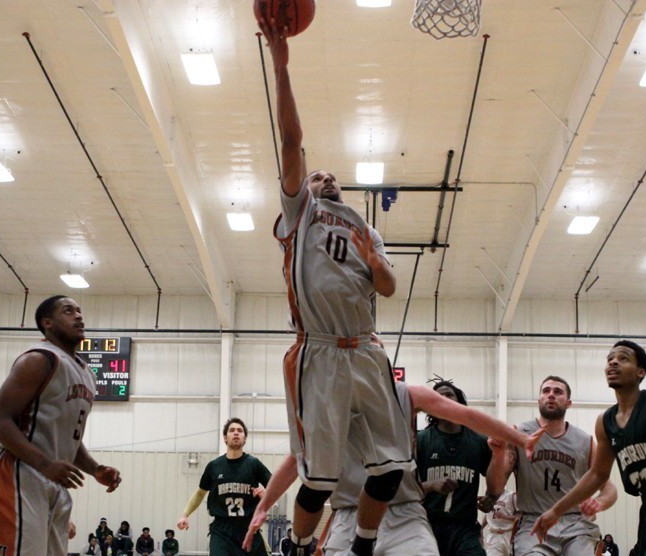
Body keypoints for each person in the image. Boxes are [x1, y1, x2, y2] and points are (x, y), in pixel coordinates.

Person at [259, 16, 414, 556]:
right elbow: (292, 138)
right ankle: (300, 544)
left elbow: (389, 289)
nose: (323, 178)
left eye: (332, 177)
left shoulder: (364, 227)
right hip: (320, 351)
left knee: (392, 466)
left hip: (366, 350)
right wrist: (281, 65)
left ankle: (365, 544)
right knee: (321, 481)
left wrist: (377, 261)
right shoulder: (302, 212)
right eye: (315, 173)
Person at [244, 375, 544, 555]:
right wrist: (263, 506)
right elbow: (296, 457)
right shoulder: (327, 404)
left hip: (405, 513)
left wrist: (517, 437)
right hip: (349, 513)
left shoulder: (406, 394)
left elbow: (467, 416)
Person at [0, 295, 122, 556]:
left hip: (53, 476)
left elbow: (68, 437)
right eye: (68, 311)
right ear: (47, 323)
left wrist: (95, 469)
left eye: (79, 311)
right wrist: (46, 464)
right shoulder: (38, 360)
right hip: (18, 471)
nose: (78, 316)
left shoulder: (86, 373)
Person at [533, 340, 646, 556]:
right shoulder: (605, 422)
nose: (613, 362)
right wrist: (555, 511)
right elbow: (597, 474)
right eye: (610, 359)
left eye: (623, 358)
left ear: (640, 372)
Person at [496, 376, 617, 556]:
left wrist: (598, 502)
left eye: (558, 392)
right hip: (534, 520)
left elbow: (610, 490)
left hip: (575, 524)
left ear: (568, 403)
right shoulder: (518, 434)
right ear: (539, 400)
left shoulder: (586, 441)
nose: (551, 395)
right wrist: (498, 454)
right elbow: (497, 484)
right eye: (546, 391)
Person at [417, 379, 525, 556]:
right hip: (427, 524)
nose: (444, 398)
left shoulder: (478, 441)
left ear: (459, 402)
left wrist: (492, 497)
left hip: (464, 527)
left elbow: (497, 481)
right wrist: (430, 485)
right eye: (438, 396)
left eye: (449, 394)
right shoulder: (421, 441)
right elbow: (403, 489)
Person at [176, 418, 271, 555]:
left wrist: (266, 493)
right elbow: (200, 493)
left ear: (245, 439)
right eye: (232, 430)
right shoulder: (214, 466)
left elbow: (275, 486)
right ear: (225, 438)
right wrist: (185, 515)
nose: (236, 433)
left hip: (249, 527)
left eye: (240, 431)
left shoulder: (253, 464)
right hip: (222, 530)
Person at [480, 491, 517, 556]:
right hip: (494, 536)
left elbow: (521, 517)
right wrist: (481, 528)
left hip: (509, 535)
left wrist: (505, 517)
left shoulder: (511, 495)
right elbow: (488, 515)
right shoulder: (488, 495)